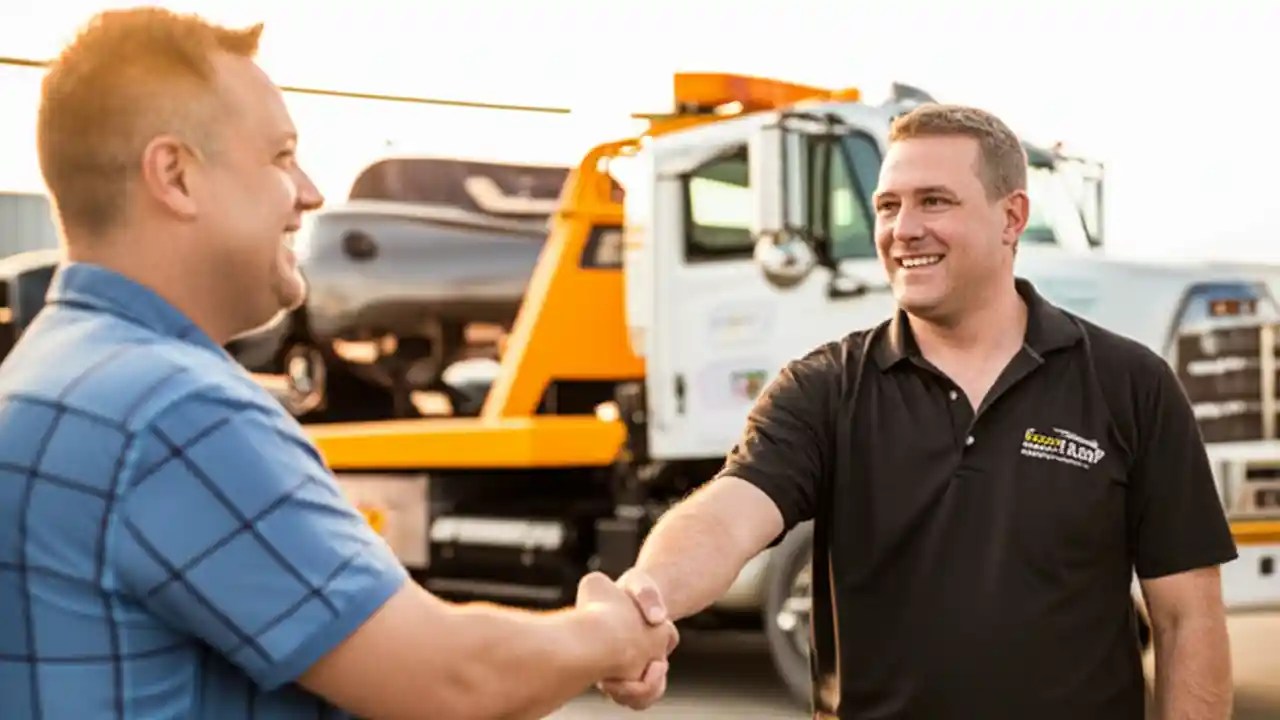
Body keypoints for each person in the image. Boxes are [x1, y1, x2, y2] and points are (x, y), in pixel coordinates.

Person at [0, 8, 676, 719]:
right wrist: (611, 631)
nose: (311, 194)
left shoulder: (40, 377)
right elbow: (450, 679)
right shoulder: (174, 411)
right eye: (280, 156)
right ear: (175, 175)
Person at [596, 104, 1238, 718]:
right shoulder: (825, 389)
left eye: (935, 201)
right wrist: (647, 599)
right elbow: (727, 517)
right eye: (887, 206)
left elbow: (1188, 618)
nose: (903, 229)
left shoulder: (1131, 386)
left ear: (1012, 217)